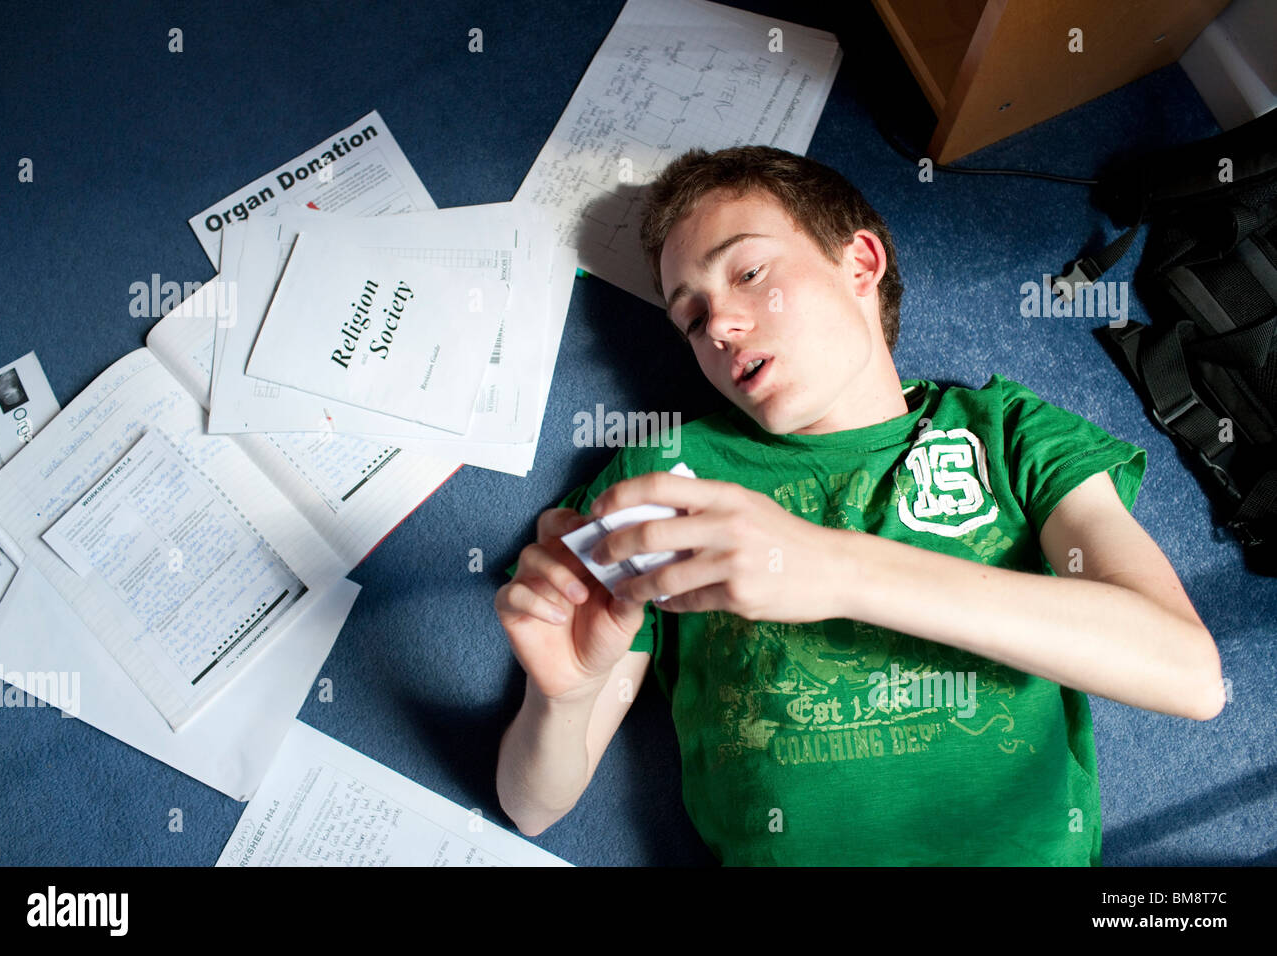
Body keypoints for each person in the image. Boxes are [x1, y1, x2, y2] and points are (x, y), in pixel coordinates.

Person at [494, 145, 1226, 866]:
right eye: (691, 319)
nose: (718, 326)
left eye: (748, 272)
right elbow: (531, 809)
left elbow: (1187, 673)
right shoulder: (667, 474)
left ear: (860, 264)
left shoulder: (1005, 431)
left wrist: (834, 568)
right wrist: (564, 698)